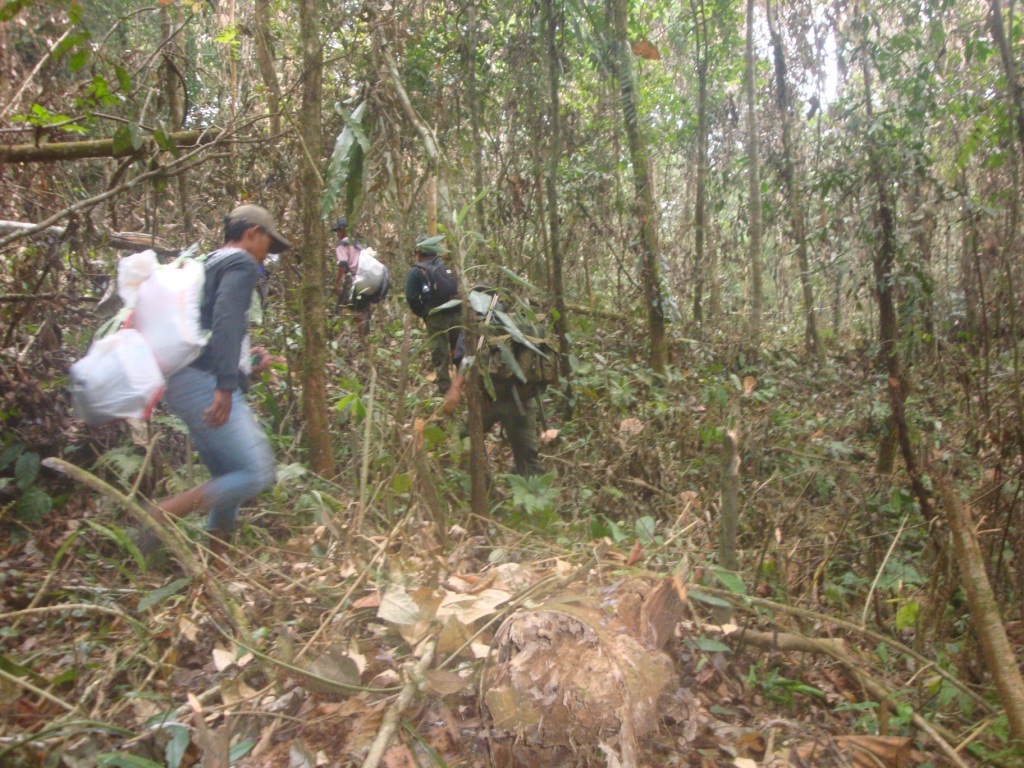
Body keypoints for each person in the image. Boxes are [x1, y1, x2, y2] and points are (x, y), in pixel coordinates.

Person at [143, 204, 288, 562]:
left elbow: (211, 328)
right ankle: (163, 513)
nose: (267, 255)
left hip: (183, 382)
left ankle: (217, 564)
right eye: (268, 244)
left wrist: (243, 367)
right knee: (255, 474)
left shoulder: (208, 263)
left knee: (229, 476)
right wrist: (225, 385)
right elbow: (226, 319)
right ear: (252, 232)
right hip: (206, 383)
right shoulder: (240, 263)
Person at [404, 241, 542, 477]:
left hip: (489, 399)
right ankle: (534, 502)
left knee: (467, 440)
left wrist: (454, 390)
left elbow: (466, 358)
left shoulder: (476, 326)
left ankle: (487, 490)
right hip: (523, 400)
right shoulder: (518, 322)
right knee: (528, 456)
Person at [331, 217, 372, 338]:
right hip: (365, 279)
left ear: (342, 230)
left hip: (352, 279)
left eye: (338, 231)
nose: (338, 234)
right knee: (363, 308)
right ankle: (364, 340)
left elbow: (343, 263)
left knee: (341, 307)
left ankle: (336, 337)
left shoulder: (342, 245)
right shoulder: (358, 245)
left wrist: (337, 282)